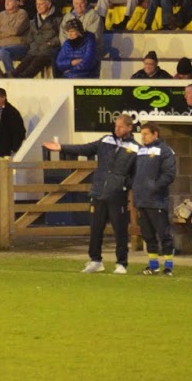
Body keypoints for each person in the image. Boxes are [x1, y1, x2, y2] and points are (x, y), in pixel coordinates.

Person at [44, 113, 140, 273]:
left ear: (130, 128)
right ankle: (95, 260)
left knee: (120, 231)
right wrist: (61, 147)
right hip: (98, 193)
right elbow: (84, 148)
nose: (117, 129)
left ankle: (121, 263)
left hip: (117, 195)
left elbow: (137, 174)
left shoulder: (136, 148)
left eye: (121, 126)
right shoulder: (105, 141)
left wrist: (124, 185)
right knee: (95, 228)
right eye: (115, 126)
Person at [133, 121, 178, 275]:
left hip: (157, 200)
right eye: (142, 134)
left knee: (163, 234)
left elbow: (169, 174)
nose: (143, 137)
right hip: (141, 200)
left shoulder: (165, 151)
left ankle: (168, 266)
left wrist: (154, 186)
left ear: (155, 134)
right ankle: (153, 266)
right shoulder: (141, 151)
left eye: (146, 134)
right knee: (148, 235)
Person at [12, 0, 62, 78]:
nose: (38, 6)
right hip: (35, 49)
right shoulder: (34, 19)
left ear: (49, 5)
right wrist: (32, 44)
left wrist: (50, 43)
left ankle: (23, 78)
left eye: (41, 4)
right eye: (37, 4)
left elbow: (62, 35)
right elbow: (30, 36)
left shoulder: (58, 18)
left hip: (49, 50)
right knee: (24, 63)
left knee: (35, 63)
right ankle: (11, 76)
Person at [0, 0, 29, 78]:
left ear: (17, 3)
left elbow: (16, 31)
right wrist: (9, 30)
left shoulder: (22, 13)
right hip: (2, 46)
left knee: (3, 51)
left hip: (19, 46)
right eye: (6, 0)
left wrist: (2, 29)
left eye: (10, 0)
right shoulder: (1, 14)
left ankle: (11, 74)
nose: (7, 3)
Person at [0, 89, 25, 158]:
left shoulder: (12, 113)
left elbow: (19, 132)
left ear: (3, 98)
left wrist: (13, 148)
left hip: (5, 154)